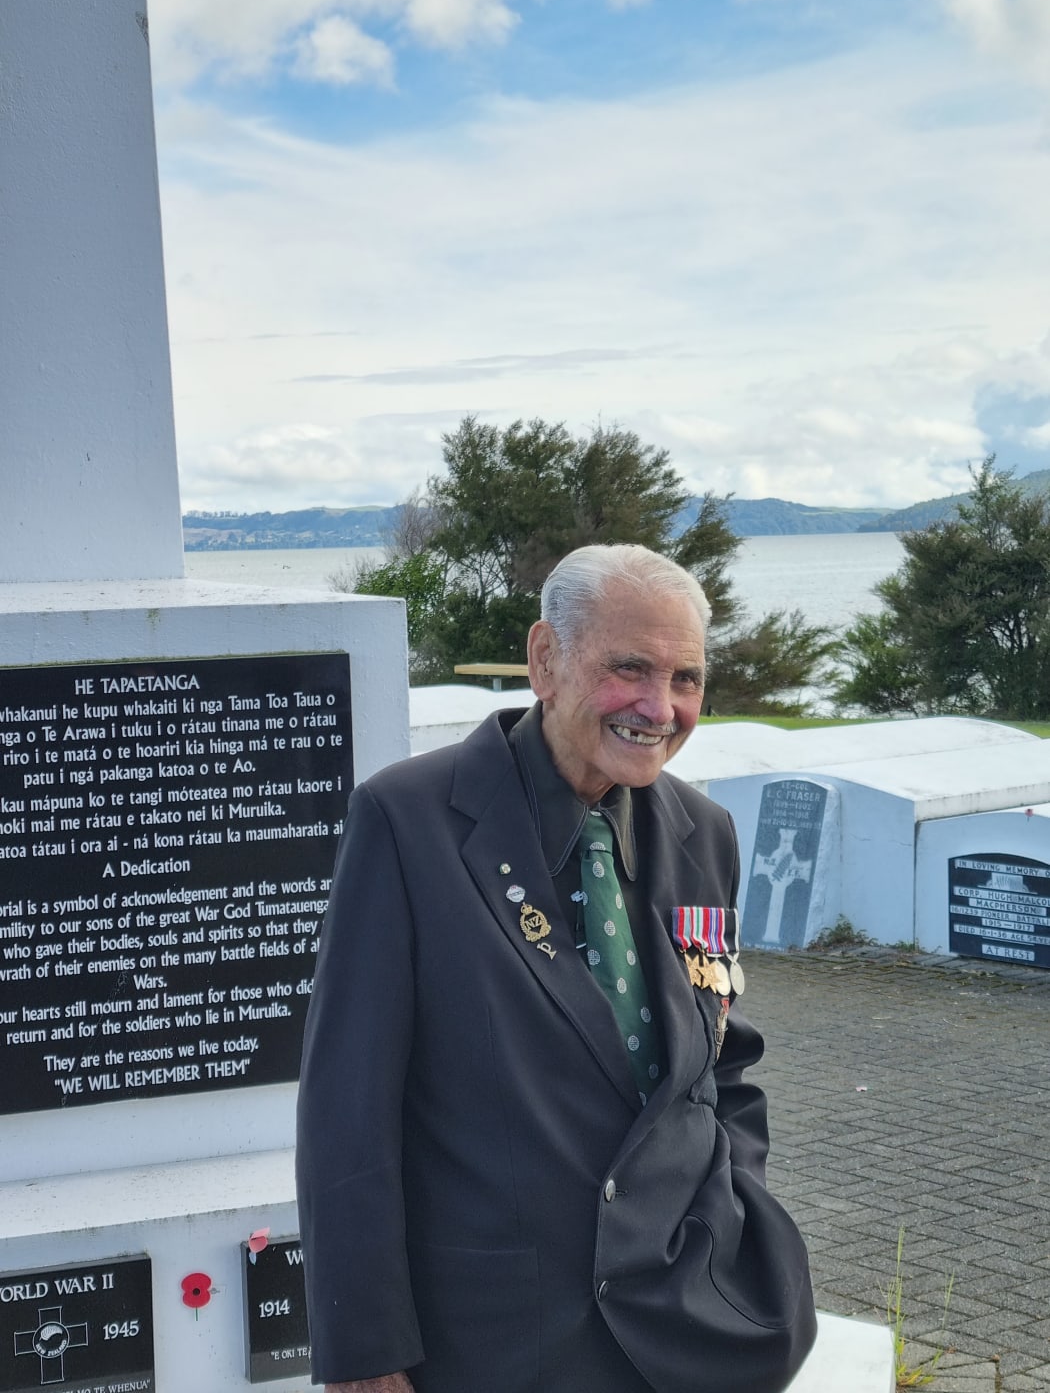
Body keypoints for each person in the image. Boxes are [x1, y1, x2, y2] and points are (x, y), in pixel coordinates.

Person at [296, 544, 816, 1393]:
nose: (660, 707)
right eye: (629, 669)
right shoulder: (408, 821)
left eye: (686, 678)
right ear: (545, 660)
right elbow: (347, 1108)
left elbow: (723, 1066)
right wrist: (365, 1349)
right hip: (495, 1340)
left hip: (686, 1324)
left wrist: (742, 1219)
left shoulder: (704, 832)